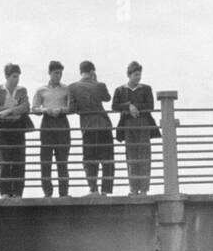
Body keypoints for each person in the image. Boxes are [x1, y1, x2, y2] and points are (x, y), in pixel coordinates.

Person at [67, 60, 114, 196]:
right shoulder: (100, 85)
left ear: (80, 71)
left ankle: (93, 189)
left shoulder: (72, 87)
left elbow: (72, 108)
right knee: (107, 159)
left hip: (88, 127)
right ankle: (105, 190)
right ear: (92, 71)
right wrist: (96, 80)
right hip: (104, 125)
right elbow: (107, 98)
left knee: (89, 159)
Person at [0, 63, 32, 197]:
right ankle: (5, 192)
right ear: (7, 76)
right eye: (14, 77)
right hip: (2, 128)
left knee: (19, 159)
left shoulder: (22, 90)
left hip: (17, 126)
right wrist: (7, 111)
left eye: (18, 77)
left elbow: (26, 107)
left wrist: (9, 110)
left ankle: (17, 192)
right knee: (4, 159)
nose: (17, 80)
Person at [111, 61, 159, 195]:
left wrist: (134, 107)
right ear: (129, 75)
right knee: (131, 156)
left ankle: (144, 188)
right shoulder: (120, 90)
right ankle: (133, 188)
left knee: (144, 155)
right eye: (135, 75)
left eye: (139, 75)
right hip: (128, 125)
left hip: (143, 123)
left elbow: (150, 105)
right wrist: (128, 106)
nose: (138, 77)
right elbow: (114, 106)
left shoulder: (146, 88)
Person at [31, 60, 72, 199]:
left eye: (60, 73)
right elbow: (34, 109)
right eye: (56, 73)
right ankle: (47, 192)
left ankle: (64, 193)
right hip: (47, 123)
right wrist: (45, 110)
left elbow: (71, 108)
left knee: (62, 159)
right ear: (49, 73)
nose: (58, 76)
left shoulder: (67, 89)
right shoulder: (41, 90)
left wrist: (61, 109)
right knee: (46, 160)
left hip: (62, 122)